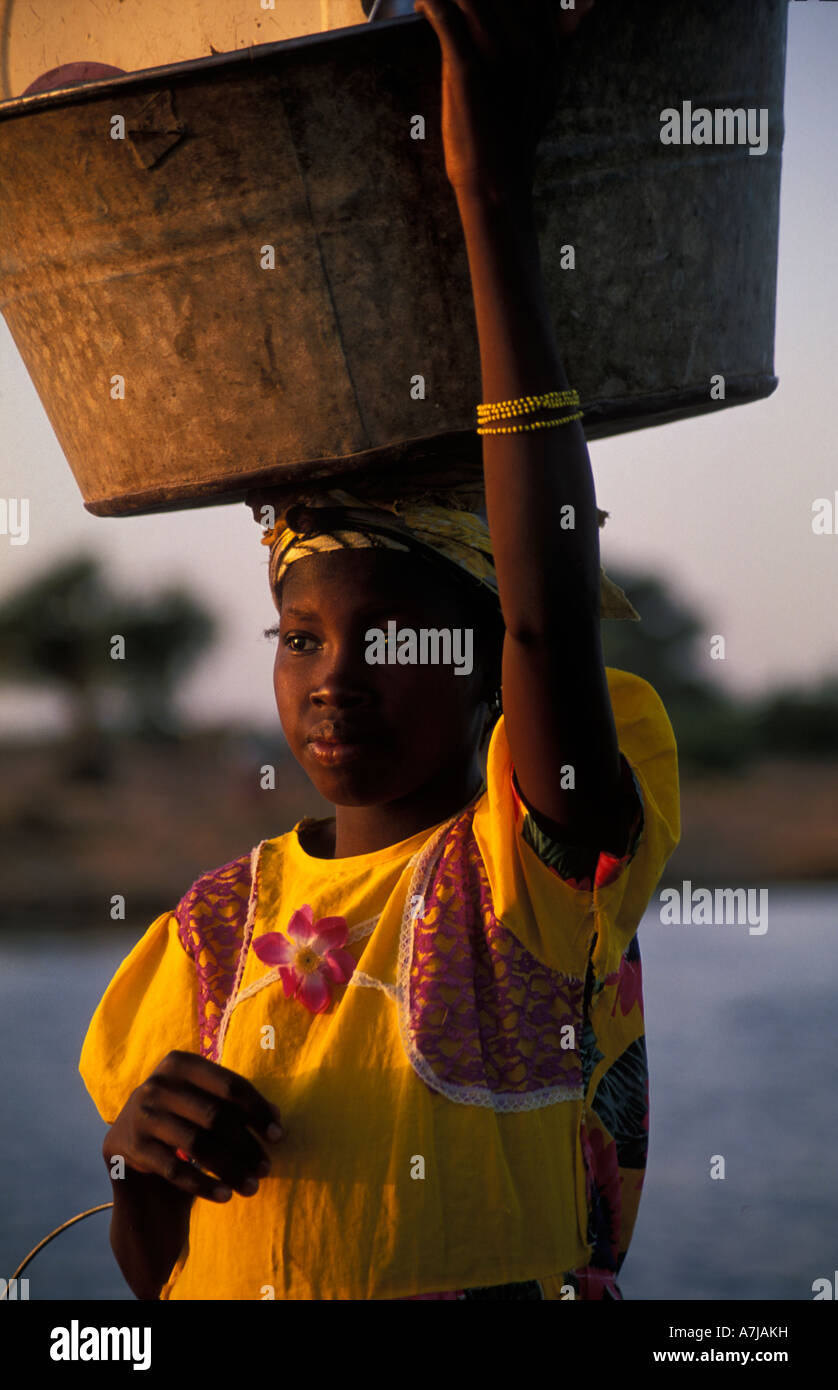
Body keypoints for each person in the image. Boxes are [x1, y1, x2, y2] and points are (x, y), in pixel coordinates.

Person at [79, 0, 680, 1300]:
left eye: (388, 633)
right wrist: (142, 1167)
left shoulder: (522, 887)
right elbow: (152, 1272)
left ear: (484, 663)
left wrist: (488, 194)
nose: (330, 674)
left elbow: (545, 612)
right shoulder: (208, 934)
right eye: (299, 635)